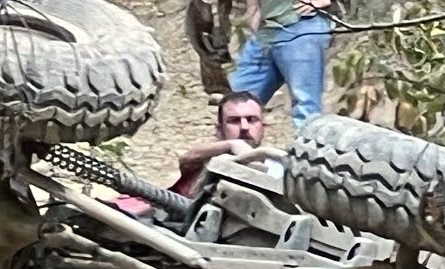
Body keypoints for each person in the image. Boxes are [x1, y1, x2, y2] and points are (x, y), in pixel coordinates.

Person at [108, 91, 270, 218]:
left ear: (263, 126)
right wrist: (233, 144)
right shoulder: (209, 159)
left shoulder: (278, 166)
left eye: (251, 120)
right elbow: (188, 157)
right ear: (219, 128)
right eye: (234, 120)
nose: (244, 127)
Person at [229, 0, 333, 129]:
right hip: (263, 28)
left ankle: (304, 141)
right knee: (239, 102)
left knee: (305, 106)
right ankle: (235, 141)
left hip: (301, 24)